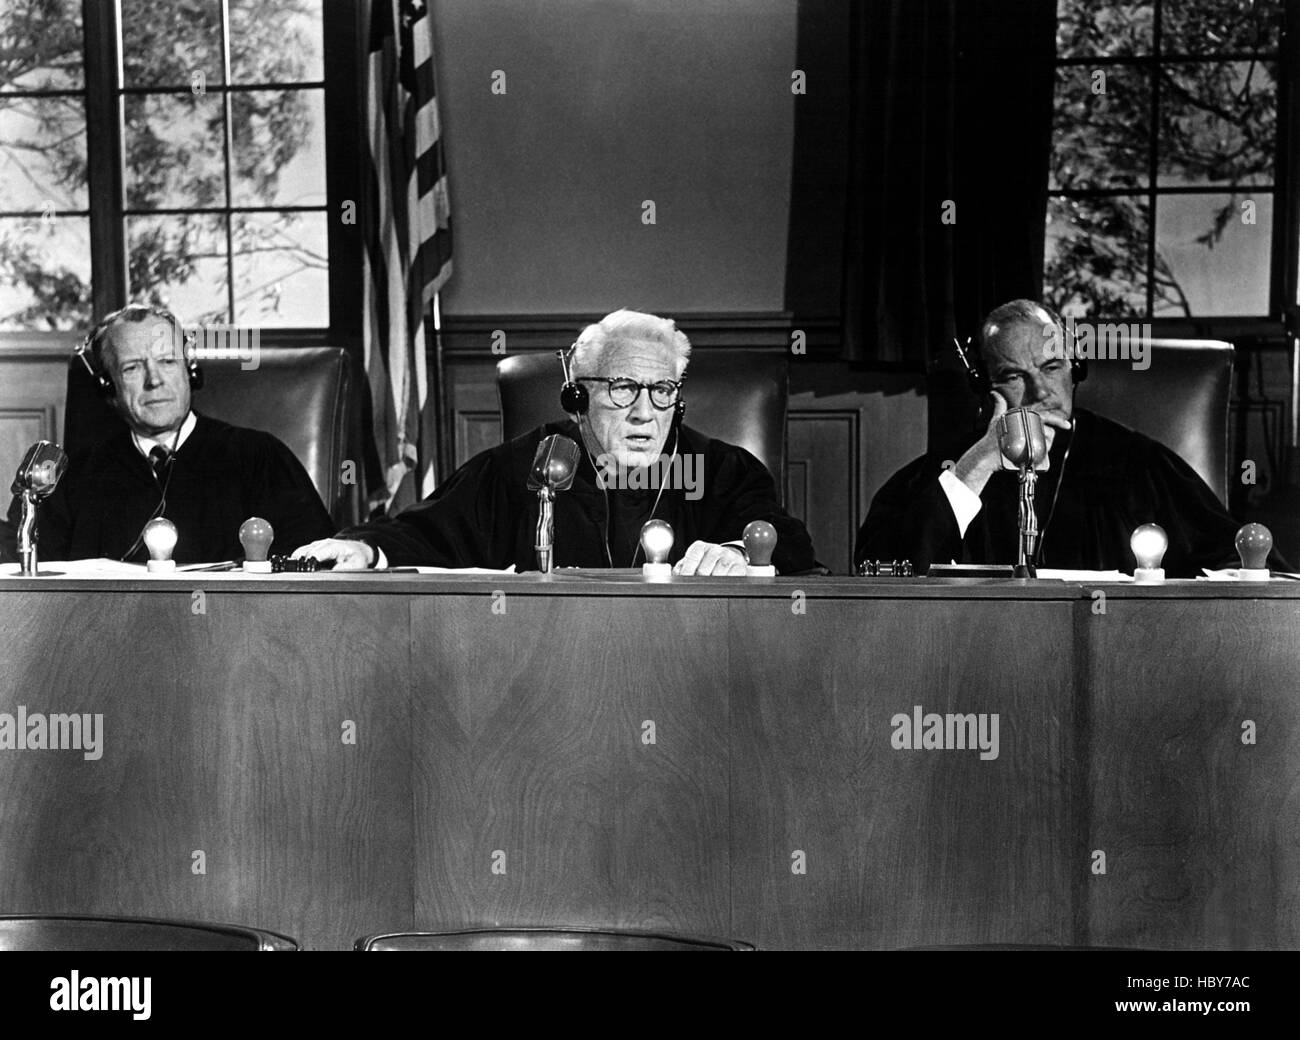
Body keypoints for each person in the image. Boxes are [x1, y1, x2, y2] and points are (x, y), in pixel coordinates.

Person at [297, 309, 818, 574]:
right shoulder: (523, 468)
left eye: (661, 390)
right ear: (578, 396)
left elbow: (791, 542)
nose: (644, 411)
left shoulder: (719, 469)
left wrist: (738, 552)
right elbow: (433, 529)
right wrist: (365, 548)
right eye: (622, 388)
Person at [856, 299, 1264, 578]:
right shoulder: (946, 470)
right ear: (983, 384)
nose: (1040, 392)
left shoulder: (1140, 463)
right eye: (1015, 376)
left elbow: (1242, 567)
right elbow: (886, 576)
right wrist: (977, 465)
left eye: (1052, 368)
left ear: (1077, 368)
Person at [1, 305, 335, 565]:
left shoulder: (259, 457)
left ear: (190, 372)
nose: (154, 380)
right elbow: (27, 575)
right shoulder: (73, 477)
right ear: (109, 387)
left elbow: (315, 567)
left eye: (167, 361)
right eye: (132, 368)